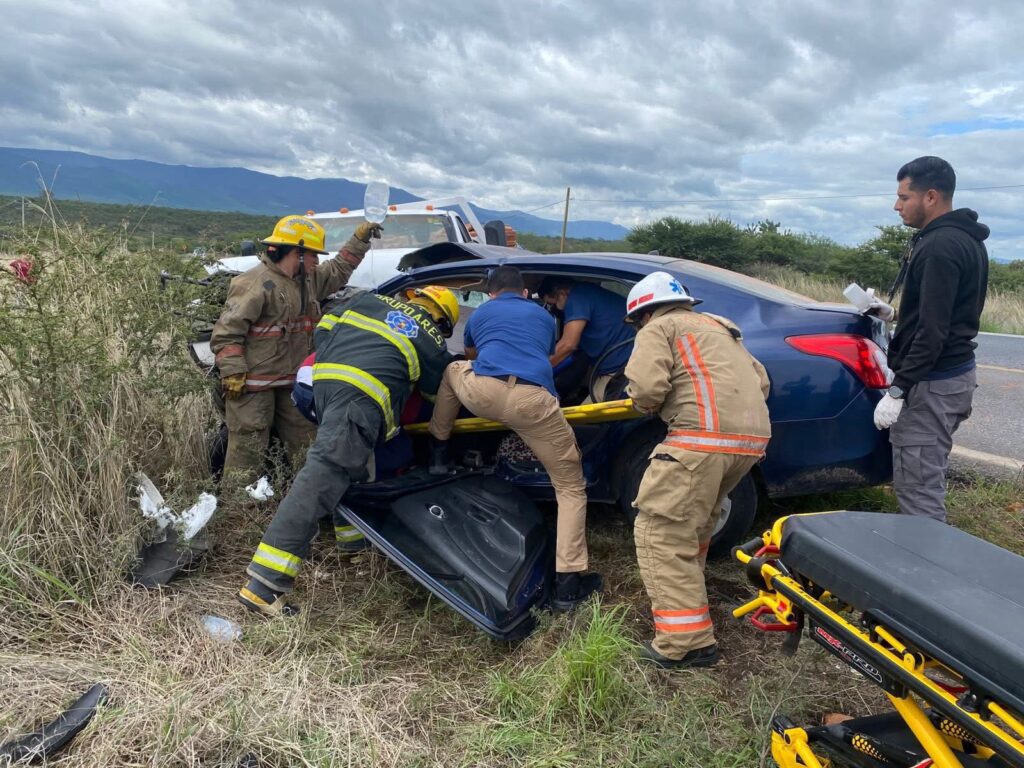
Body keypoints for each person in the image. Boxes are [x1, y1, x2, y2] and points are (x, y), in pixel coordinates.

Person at [237, 284, 458, 616]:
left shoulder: (368, 300)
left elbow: (324, 330)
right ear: (442, 321)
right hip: (361, 400)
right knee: (321, 479)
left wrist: (340, 365)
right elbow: (434, 396)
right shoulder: (430, 337)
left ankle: (354, 548)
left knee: (353, 467)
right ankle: (264, 585)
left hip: (324, 386)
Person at [427, 265, 602, 611]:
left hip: (483, 394)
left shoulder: (482, 312)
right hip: (534, 401)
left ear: (491, 294)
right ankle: (568, 584)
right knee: (570, 487)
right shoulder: (543, 316)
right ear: (524, 293)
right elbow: (544, 353)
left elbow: (472, 355)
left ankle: (437, 451)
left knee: (452, 369)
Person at [624, 271, 770, 669]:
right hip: (749, 443)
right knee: (696, 525)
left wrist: (643, 403)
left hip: (699, 441)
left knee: (660, 533)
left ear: (642, 314)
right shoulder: (721, 328)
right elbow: (762, 382)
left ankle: (686, 642)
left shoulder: (658, 329)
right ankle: (689, 604)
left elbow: (647, 390)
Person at [211, 215, 379, 485]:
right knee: (248, 449)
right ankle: (238, 506)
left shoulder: (307, 280)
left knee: (307, 441)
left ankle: (307, 497)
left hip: (291, 382)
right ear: (296, 253)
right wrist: (232, 371)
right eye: (313, 254)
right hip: (253, 385)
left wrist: (359, 241)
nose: (317, 261)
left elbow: (338, 269)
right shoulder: (254, 284)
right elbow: (227, 333)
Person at [869, 156, 989, 523]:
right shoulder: (965, 239)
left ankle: (925, 556)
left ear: (931, 197)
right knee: (923, 476)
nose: (897, 205)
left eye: (904, 197)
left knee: (919, 489)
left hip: (933, 382)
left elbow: (933, 332)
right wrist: (894, 315)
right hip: (953, 376)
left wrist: (898, 390)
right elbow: (946, 313)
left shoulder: (940, 246)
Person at [539, 277, 636, 401]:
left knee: (586, 412)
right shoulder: (586, 292)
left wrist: (537, 369)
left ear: (562, 293)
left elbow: (568, 344)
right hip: (616, 364)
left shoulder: (577, 298)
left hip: (620, 369)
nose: (555, 309)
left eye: (552, 304)